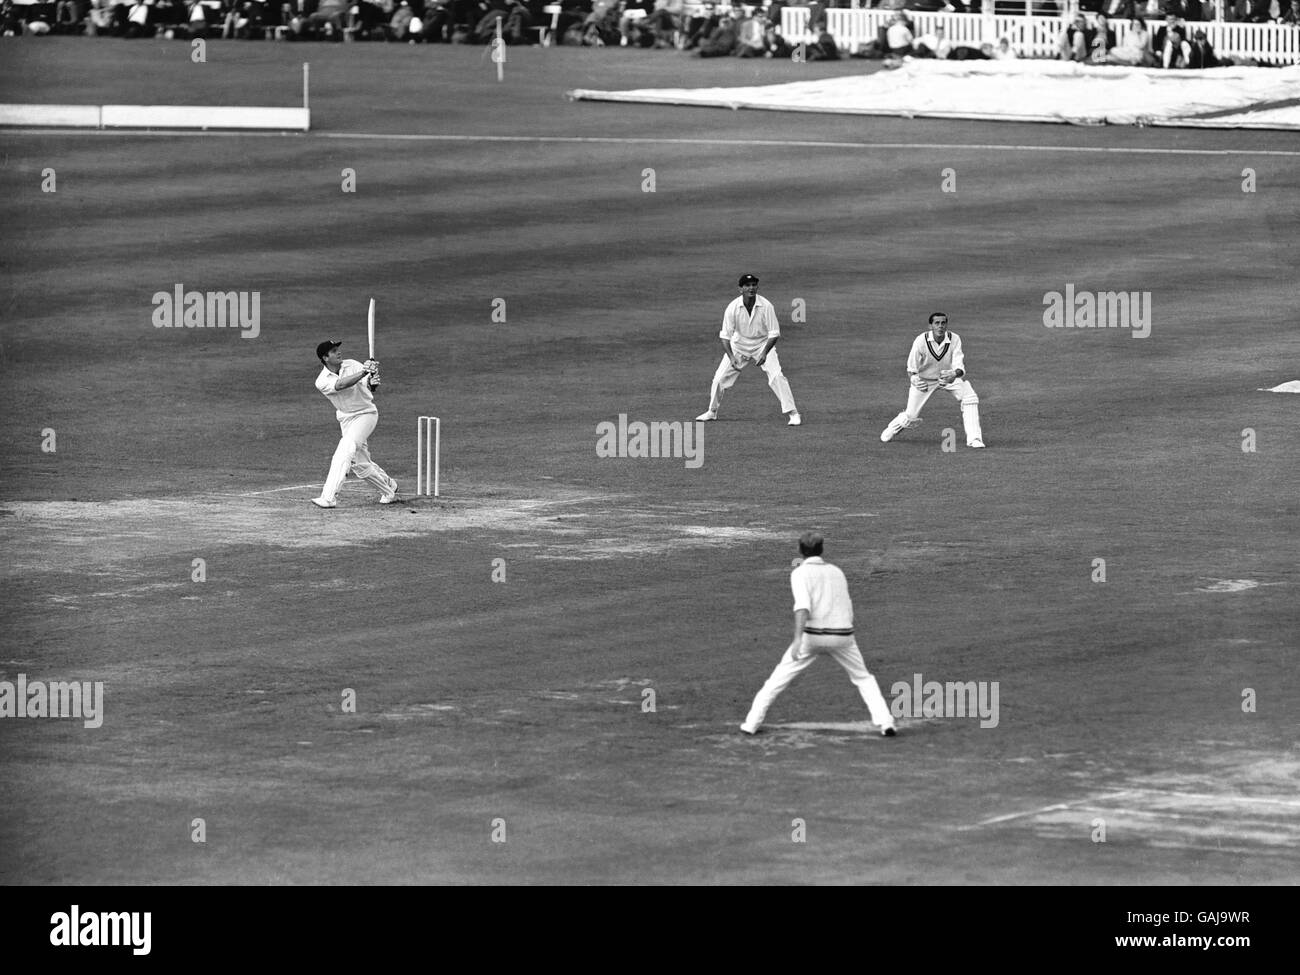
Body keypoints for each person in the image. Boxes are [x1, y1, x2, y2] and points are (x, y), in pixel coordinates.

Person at [740, 532, 898, 738]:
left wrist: (798, 639)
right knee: (864, 678)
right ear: (821, 550)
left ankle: (751, 724)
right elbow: (847, 607)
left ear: (800, 550)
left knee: (777, 680)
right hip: (843, 635)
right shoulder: (837, 572)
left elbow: (802, 607)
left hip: (812, 638)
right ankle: (886, 722)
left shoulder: (799, 573)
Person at [696, 274, 801, 426]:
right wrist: (731, 357)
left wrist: (764, 353)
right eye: (747, 285)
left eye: (753, 285)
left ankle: (793, 413)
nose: (751, 288)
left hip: (763, 345)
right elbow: (725, 336)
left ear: (757, 287)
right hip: (739, 346)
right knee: (719, 378)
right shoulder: (732, 308)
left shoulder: (766, 306)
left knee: (777, 376)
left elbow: (774, 333)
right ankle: (712, 412)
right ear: (741, 289)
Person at [311, 341, 398, 509]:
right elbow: (341, 385)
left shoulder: (352, 364)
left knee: (345, 449)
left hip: (366, 414)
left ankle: (328, 498)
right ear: (325, 358)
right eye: (334, 351)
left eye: (338, 349)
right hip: (346, 420)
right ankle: (388, 489)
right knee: (360, 464)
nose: (338, 353)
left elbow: (370, 385)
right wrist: (365, 371)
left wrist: (372, 380)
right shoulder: (321, 381)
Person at [879, 312, 984, 448]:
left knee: (970, 397)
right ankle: (893, 428)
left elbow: (959, 364)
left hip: (947, 378)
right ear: (930, 326)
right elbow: (912, 367)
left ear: (946, 325)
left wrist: (954, 374)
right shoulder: (920, 341)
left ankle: (974, 439)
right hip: (925, 380)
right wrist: (915, 379)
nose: (940, 326)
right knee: (911, 416)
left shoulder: (955, 339)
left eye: (943, 323)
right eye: (937, 323)